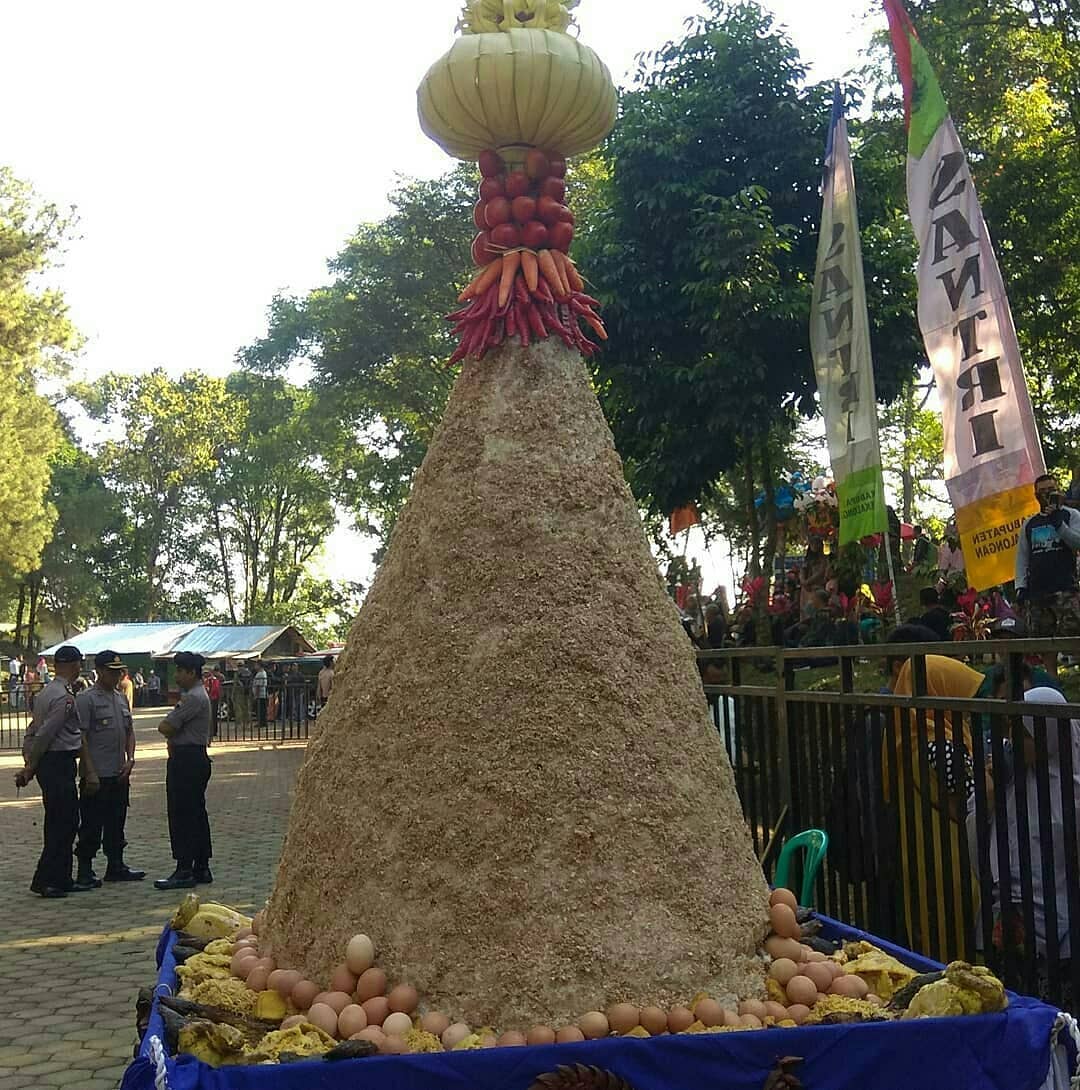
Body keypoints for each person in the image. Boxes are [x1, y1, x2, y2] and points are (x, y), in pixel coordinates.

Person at [884, 625, 982, 960]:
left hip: (923, 857)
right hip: (954, 864)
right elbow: (971, 802)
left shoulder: (908, 734)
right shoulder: (942, 745)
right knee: (958, 946)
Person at [983, 687, 1080, 1008]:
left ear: (1049, 735)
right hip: (1016, 922)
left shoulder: (1071, 789)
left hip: (1061, 927)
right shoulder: (1013, 781)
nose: (1013, 740)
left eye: (1024, 734)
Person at [14, 645, 98, 898]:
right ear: (73, 665)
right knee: (63, 821)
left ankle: (61, 877)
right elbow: (45, 734)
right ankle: (48, 879)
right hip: (57, 761)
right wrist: (31, 765)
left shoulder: (47, 692)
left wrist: (31, 763)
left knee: (62, 820)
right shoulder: (64, 697)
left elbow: (34, 729)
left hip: (52, 762)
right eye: (79, 663)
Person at [74, 651, 144, 885]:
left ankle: (116, 865)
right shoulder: (86, 699)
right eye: (111, 672)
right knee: (92, 824)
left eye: (119, 672)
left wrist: (130, 759)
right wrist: (90, 772)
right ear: (100, 671)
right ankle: (85, 870)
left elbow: (129, 731)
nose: (116, 676)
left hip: (118, 772)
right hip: (97, 775)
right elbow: (81, 738)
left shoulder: (120, 698)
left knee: (116, 821)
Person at [154, 651, 214, 890]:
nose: (176, 676)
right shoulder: (198, 694)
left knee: (182, 814)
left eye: (180, 671)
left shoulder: (193, 698)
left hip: (186, 759)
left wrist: (167, 728)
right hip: (193, 758)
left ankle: (184, 869)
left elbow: (166, 727)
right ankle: (201, 866)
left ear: (191, 672)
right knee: (196, 813)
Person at [1016, 473, 1080, 677]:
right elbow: (1022, 557)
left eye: (1050, 490)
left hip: (1065, 587)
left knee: (1074, 632)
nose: (1046, 495)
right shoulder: (1029, 524)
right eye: (1041, 492)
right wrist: (1020, 587)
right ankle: (1052, 679)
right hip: (1037, 591)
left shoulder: (1071, 515)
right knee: (1043, 639)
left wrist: (1058, 523)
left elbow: (1077, 542)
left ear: (1058, 490)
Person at [205, 667, 222, 740]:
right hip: (211, 698)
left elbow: (215, 689)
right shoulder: (208, 680)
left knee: (212, 716)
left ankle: (213, 731)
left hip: (213, 699)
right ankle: (212, 731)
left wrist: (211, 696)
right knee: (211, 715)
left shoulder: (213, 680)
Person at [233, 662, 252, 727]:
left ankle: (239, 723)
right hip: (247, 692)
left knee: (239, 708)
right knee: (247, 708)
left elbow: (235, 684)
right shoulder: (249, 672)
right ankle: (247, 723)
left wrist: (233, 693)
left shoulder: (237, 673)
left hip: (239, 692)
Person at [252, 661, 268, 728]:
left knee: (260, 709)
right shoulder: (263, 673)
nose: (255, 666)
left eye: (256, 665)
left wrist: (256, 695)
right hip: (263, 694)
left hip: (260, 694)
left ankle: (261, 722)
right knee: (262, 709)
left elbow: (258, 686)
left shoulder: (260, 674)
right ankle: (263, 722)